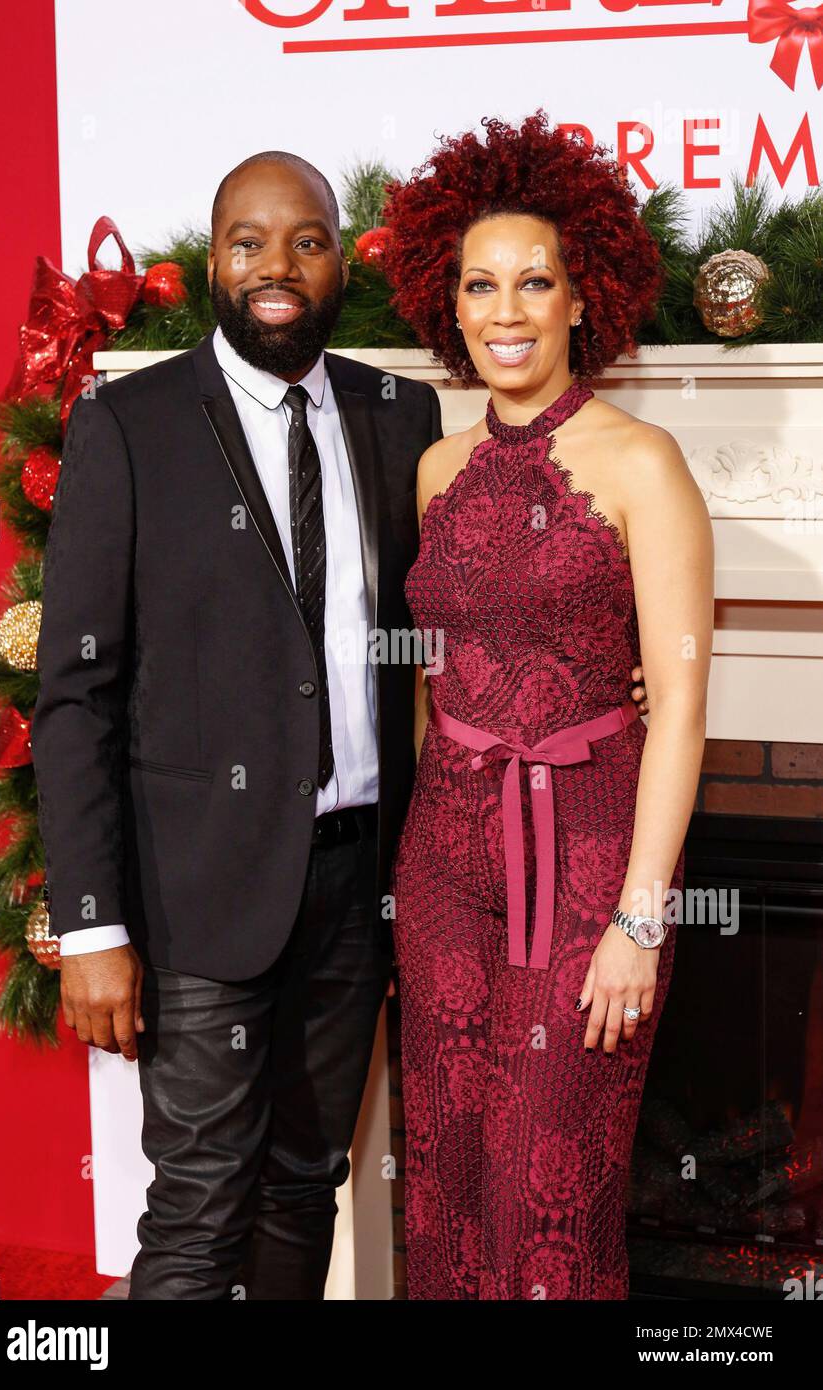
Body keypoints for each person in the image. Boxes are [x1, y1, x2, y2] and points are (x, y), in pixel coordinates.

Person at [32, 146, 650, 1301]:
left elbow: (463, 611)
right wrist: (90, 923)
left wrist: (611, 678)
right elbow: (75, 693)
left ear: (337, 261)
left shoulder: (394, 411)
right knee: (201, 1198)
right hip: (200, 888)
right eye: (249, 241)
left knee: (303, 1184)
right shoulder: (129, 424)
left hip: (363, 887)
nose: (277, 265)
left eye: (306, 240)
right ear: (211, 260)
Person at [382, 111, 714, 1300]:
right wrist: (419, 853)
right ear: (449, 302)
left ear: (583, 298)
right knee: (451, 1182)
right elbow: (436, 675)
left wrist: (638, 919)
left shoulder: (642, 462)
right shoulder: (432, 467)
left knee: (546, 1195)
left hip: (585, 861)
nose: (506, 310)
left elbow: (676, 704)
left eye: (535, 281)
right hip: (441, 868)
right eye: (481, 284)